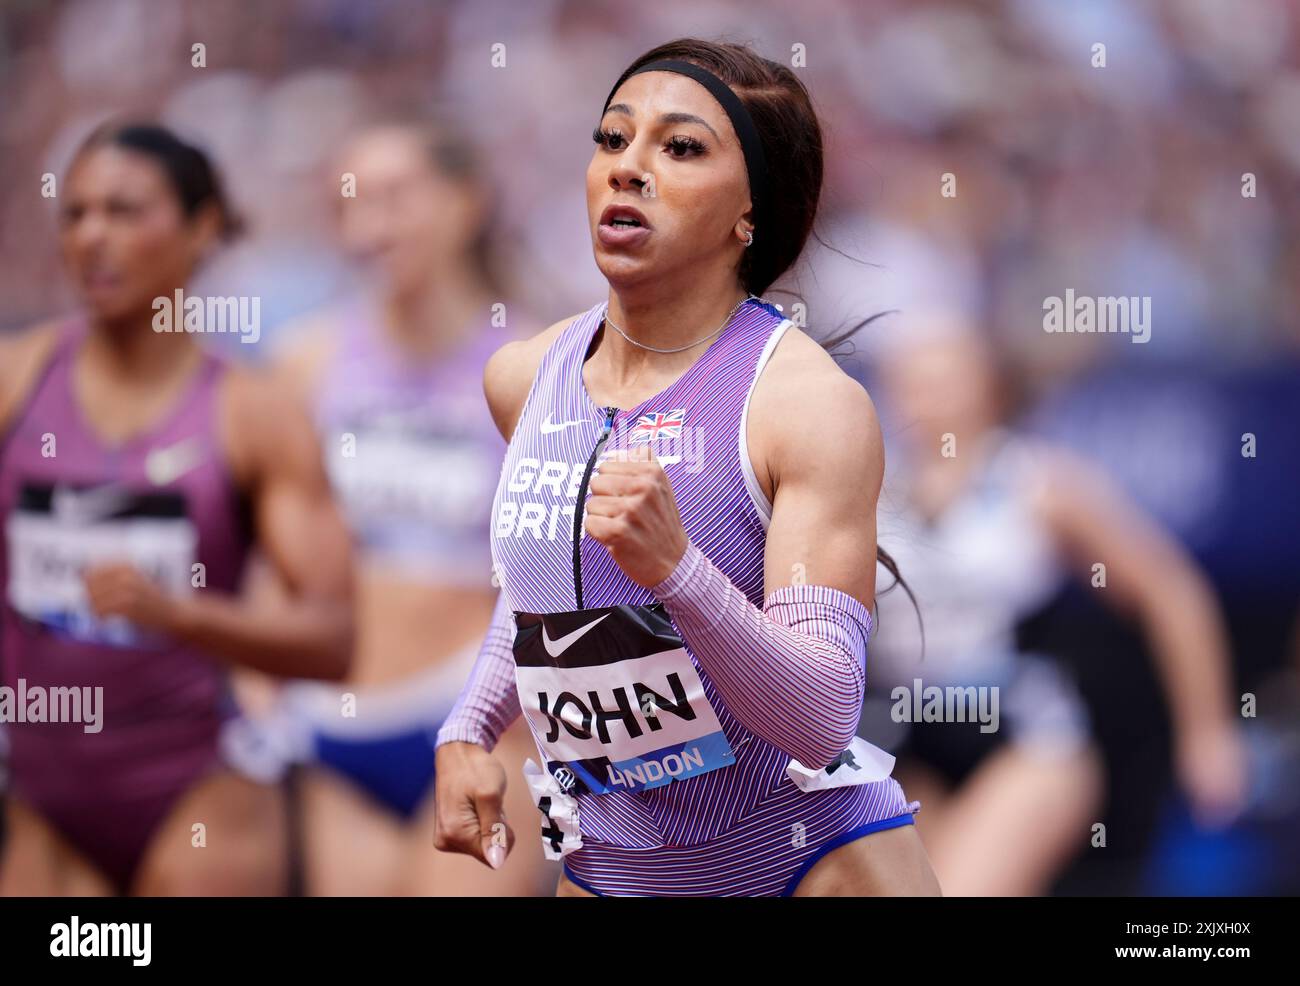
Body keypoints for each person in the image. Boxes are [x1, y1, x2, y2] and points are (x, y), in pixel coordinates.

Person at [432, 38, 943, 897]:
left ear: (752, 212)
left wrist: (677, 570)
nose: (628, 168)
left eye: (680, 148)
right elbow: (540, 596)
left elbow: (821, 722)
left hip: (809, 863)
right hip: (613, 873)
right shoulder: (523, 377)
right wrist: (469, 728)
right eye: (612, 140)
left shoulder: (805, 403)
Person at [0, 123, 354, 896]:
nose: (94, 236)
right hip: (40, 793)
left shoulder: (254, 413)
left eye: (125, 212)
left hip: (196, 795)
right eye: (77, 213)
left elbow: (332, 641)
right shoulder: (15, 381)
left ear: (201, 229)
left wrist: (180, 615)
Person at [860, 316, 1248, 895]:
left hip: (1028, 738)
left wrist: (1208, 734)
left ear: (989, 384)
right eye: (911, 379)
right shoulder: (871, 489)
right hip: (909, 738)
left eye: (945, 378)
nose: (925, 394)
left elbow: (1172, 593)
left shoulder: (1037, 484)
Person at [266, 121, 549, 895]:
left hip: (481, 717)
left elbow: (564, 567)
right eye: (349, 206)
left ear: (466, 202)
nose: (371, 227)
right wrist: (266, 706)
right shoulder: (309, 359)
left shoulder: (533, 366)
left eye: (396, 199)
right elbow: (272, 552)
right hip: (339, 724)